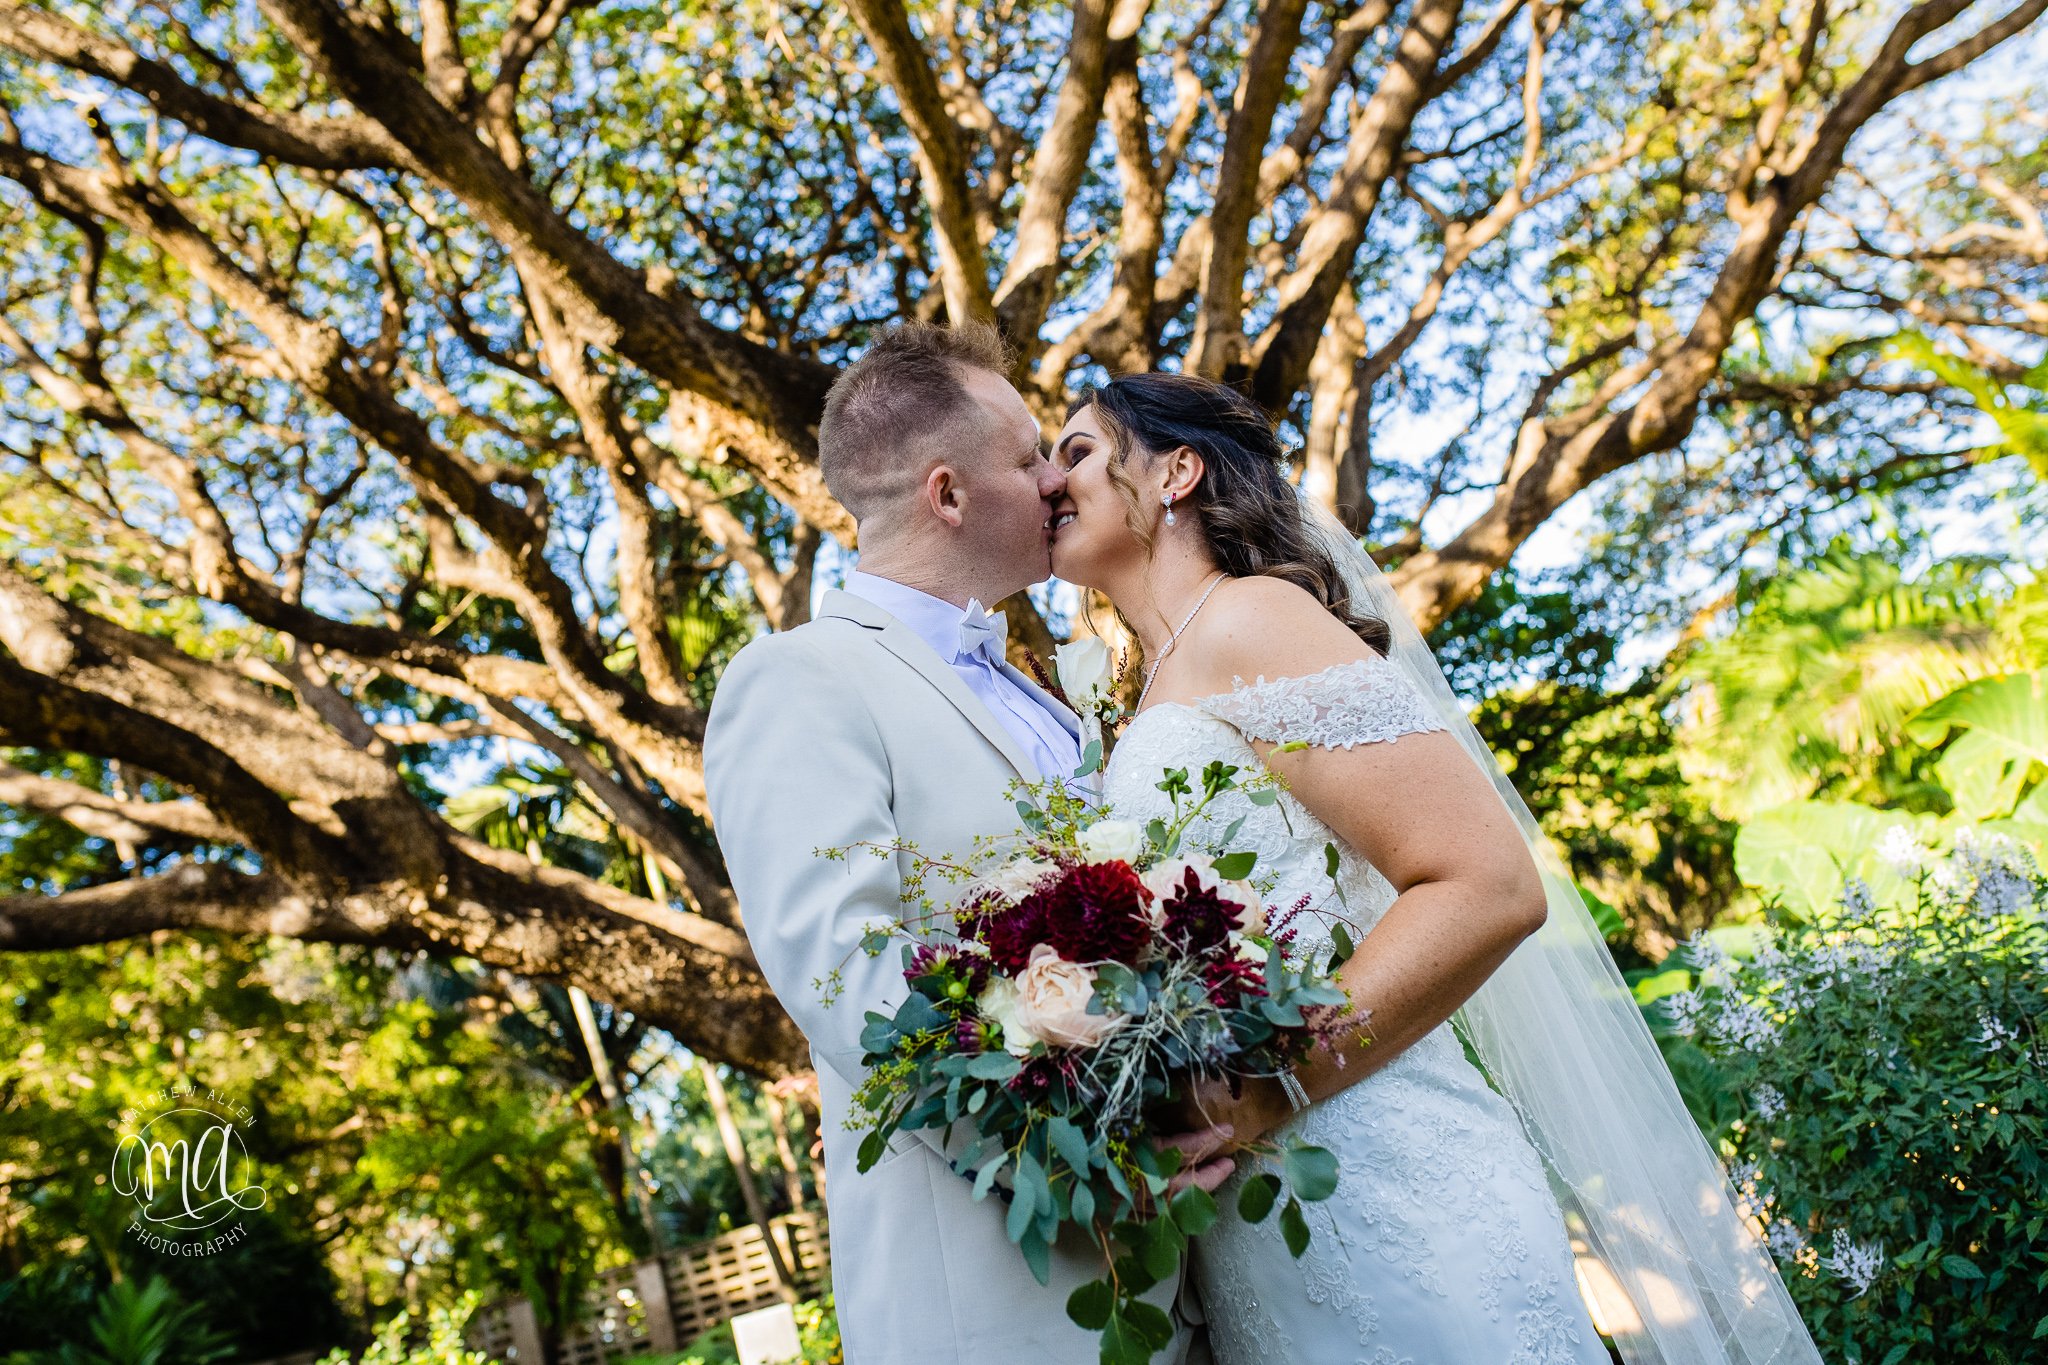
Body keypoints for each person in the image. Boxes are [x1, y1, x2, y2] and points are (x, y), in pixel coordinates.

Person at [1045, 372, 1825, 1365]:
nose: (1046, 480)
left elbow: (1487, 884)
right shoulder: (1142, 692)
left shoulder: (1246, 619)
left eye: (1073, 450)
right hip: (1260, 1231)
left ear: (1176, 472)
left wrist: (1265, 1091)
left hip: (1386, 1183)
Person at [704, 325, 1217, 1364]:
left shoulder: (1043, 695)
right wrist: (1097, 1152)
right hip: (998, 1302)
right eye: (1029, 454)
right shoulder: (801, 679)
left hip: (1175, 1277)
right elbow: (850, 980)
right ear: (947, 493)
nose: (1053, 481)